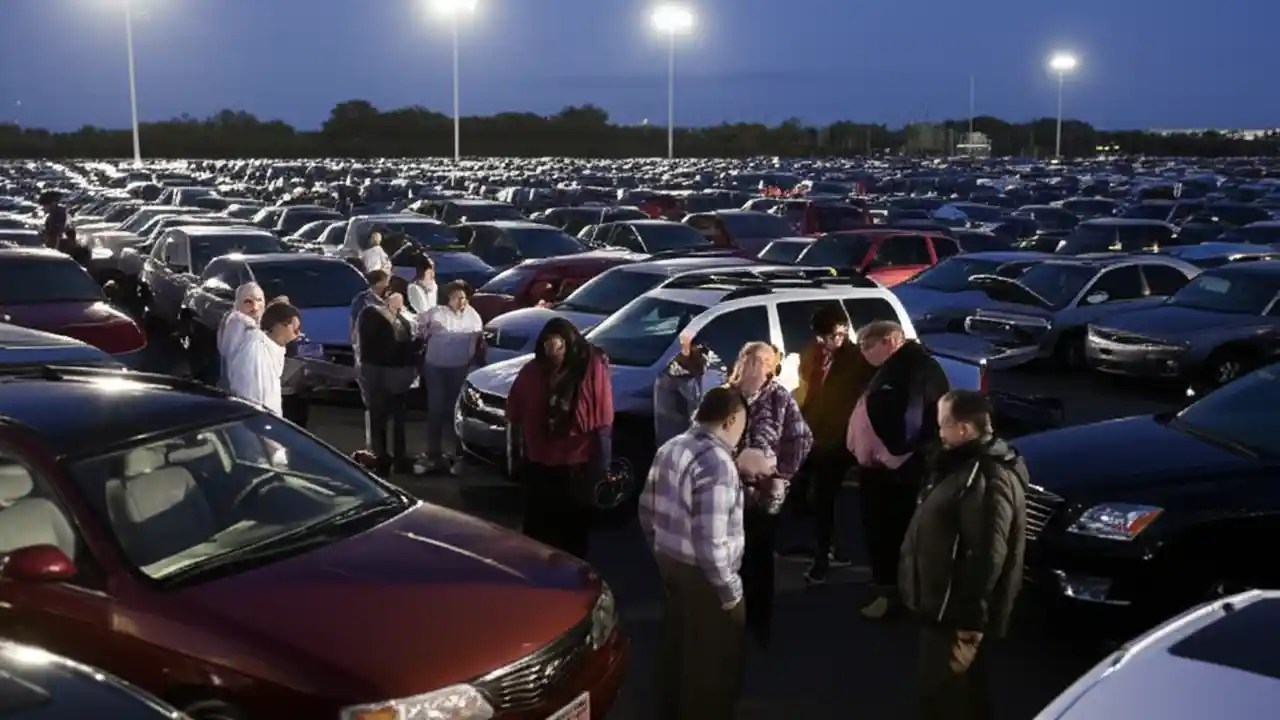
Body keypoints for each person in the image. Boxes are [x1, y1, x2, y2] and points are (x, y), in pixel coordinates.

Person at [658, 339, 813, 647]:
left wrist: (780, 476)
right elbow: (697, 431)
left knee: (759, 561)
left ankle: (759, 625)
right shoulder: (722, 397)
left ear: (771, 368)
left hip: (761, 498)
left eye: (762, 362)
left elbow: (801, 439)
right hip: (722, 497)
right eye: (749, 360)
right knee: (721, 559)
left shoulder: (780, 399)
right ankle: (725, 620)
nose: (754, 367)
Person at [900, 390, 1028, 720]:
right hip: (945, 610)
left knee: (942, 698)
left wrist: (968, 616)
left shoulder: (984, 478)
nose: (938, 433)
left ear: (965, 429)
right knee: (967, 695)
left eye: (944, 425)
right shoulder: (961, 467)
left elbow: (988, 553)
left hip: (955, 616)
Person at [639, 387, 749, 720]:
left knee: (678, 652)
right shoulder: (716, 463)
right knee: (711, 666)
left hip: (671, 563)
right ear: (731, 419)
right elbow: (711, 539)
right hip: (704, 578)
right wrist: (730, 591)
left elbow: (646, 509)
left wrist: (660, 552)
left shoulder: (672, 446)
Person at [849, 319, 950, 620]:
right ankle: (892, 589)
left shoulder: (912, 369)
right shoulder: (899, 367)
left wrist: (889, 454)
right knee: (886, 532)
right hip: (888, 469)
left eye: (868, 345)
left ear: (891, 340)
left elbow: (906, 429)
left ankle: (891, 594)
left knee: (890, 533)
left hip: (897, 473)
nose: (864, 352)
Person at [506, 317, 613, 559]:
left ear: (569, 345)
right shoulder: (532, 372)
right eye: (547, 345)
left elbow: (603, 421)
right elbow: (514, 416)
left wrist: (602, 467)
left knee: (573, 537)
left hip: (575, 468)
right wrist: (514, 460)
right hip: (539, 466)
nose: (552, 352)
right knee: (538, 536)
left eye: (558, 346)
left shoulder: (588, 372)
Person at [796, 304, 876, 585]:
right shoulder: (815, 354)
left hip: (842, 438)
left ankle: (823, 557)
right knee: (808, 492)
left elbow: (863, 399)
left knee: (824, 495)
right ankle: (821, 546)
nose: (835, 341)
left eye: (840, 335)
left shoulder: (857, 360)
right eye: (829, 337)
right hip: (815, 433)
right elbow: (810, 391)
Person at [417, 280, 484, 475]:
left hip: (459, 368)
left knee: (455, 413)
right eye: (456, 298)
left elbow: (478, 341)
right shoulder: (436, 313)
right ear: (448, 299)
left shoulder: (474, 316)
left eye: (463, 298)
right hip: (435, 367)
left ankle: (459, 455)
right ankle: (433, 455)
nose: (461, 301)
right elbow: (419, 328)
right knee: (436, 409)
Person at [356, 291, 420, 477]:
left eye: (401, 298)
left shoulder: (403, 317)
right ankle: (380, 458)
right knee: (380, 417)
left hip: (399, 373)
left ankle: (399, 458)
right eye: (394, 298)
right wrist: (408, 349)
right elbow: (375, 346)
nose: (398, 301)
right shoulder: (372, 315)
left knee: (399, 418)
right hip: (380, 373)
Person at [227, 302, 302, 416]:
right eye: (295, 330)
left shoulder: (275, 348)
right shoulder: (254, 347)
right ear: (278, 326)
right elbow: (249, 393)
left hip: (271, 421)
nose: (297, 335)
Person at [217, 282, 266, 389]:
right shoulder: (238, 323)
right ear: (238, 304)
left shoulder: (232, 320)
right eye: (248, 302)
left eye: (259, 300)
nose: (255, 307)